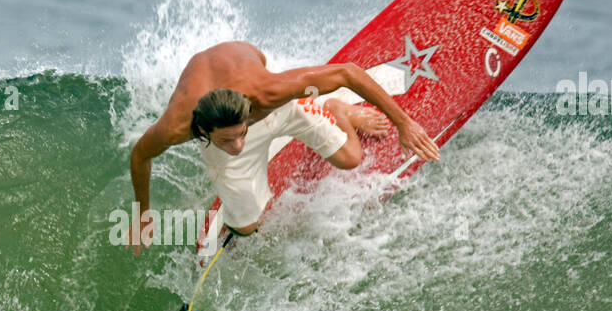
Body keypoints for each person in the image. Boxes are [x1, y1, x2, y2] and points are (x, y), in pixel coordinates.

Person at [128, 40, 440, 253]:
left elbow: (348, 73)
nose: (237, 145)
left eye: (241, 135)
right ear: (203, 133)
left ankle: (337, 110)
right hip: (222, 110)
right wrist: (143, 212)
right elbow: (140, 155)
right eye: (227, 141)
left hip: (270, 107)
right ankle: (242, 168)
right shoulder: (176, 126)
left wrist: (403, 123)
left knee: (351, 160)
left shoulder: (269, 93)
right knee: (246, 229)